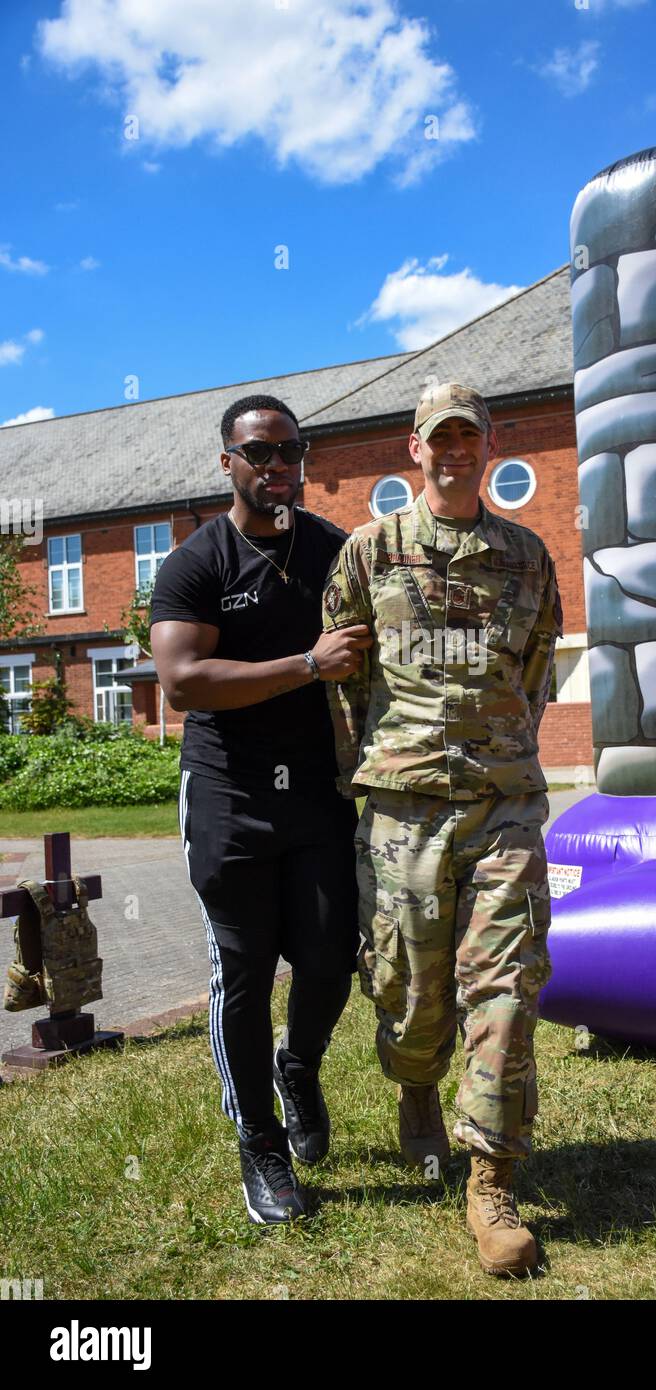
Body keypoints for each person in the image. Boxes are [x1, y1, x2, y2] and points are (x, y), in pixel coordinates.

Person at [321, 381, 562, 1277]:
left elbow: (537, 674)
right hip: (402, 808)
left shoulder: (530, 556)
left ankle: (490, 1182)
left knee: (504, 985)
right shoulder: (369, 552)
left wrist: (499, 756)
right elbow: (343, 677)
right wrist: (381, 771)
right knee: (411, 992)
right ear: (413, 449)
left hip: (503, 804)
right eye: (440, 438)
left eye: (470, 436)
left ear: (488, 445)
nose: (455, 451)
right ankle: (416, 1089)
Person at [150, 394, 371, 1225]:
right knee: (242, 971)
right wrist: (307, 665)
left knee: (327, 957)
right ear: (228, 464)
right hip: (229, 790)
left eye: (289, 451)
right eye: (259, 453)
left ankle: (301, 1066)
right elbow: (182, 680)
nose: (276, 466)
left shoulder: (337, 551)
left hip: (318, 789)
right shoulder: (196, 562)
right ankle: (261, 1145)